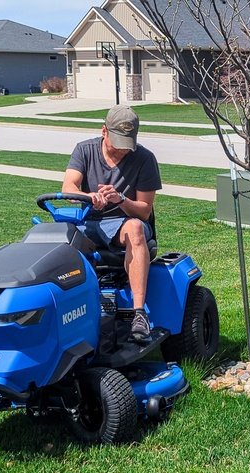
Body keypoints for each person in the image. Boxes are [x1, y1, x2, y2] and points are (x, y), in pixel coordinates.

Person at [61, 105, 162, 343]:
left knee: (136, 228)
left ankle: (139, 314)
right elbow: (68, 187)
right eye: (117, 142)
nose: (122, 150)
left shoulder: (144, 159)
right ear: (104, 131)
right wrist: (89, 197)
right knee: (49, 238)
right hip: (86, 220)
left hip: (123, 222)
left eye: (127, 144)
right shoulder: (84, 150)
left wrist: (121, 198)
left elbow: (144, 211)